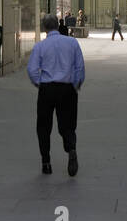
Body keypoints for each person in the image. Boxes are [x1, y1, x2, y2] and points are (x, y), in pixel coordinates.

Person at [27, 13, 85, 176]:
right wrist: (76, 83)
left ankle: (46, 162)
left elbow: (32, 69)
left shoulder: (40, 46)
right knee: (67, 124)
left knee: (44, 126)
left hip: (47, 88)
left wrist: (40, 83)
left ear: (45, 28)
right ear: (58, 26)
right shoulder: (72, 42)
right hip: (67, 88)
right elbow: (79, 66)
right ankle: (71, 148)